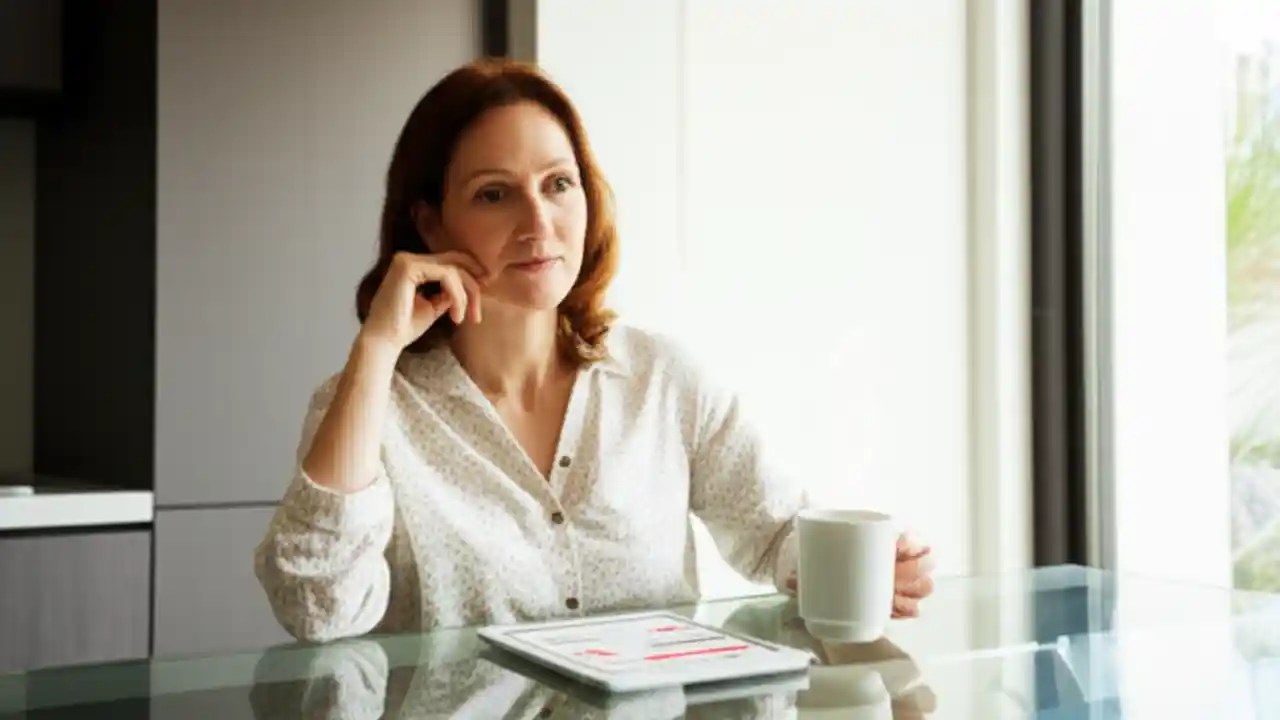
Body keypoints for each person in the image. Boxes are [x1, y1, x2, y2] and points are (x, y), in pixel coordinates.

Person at [254, 58, 934, 643]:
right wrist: (377, 346)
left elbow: (776, 535)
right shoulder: (370, 406)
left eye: (558, 183)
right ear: (430, 223)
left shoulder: (663, 381)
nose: (538, 222)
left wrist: (872, 570)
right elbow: (319, 608)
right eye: (494, 194)